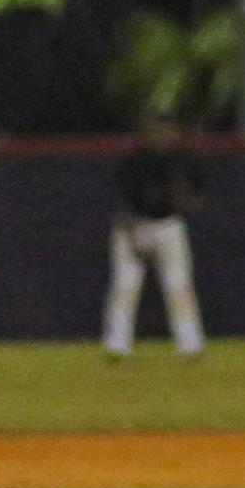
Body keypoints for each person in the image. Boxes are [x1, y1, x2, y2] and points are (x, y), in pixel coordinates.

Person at [102, 115, 208, 359]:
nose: (162, 136)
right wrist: (132, 235)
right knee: (125, 286)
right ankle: (116, 345)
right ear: (143, 135)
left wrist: (189, 201)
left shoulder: (183, 162)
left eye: (166, 131)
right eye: (155, 131)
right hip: (133, 226)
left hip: (169, 226)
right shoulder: (132, 164)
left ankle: (190, 343)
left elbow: (198, 197)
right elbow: (123, 201)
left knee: (179, 286)